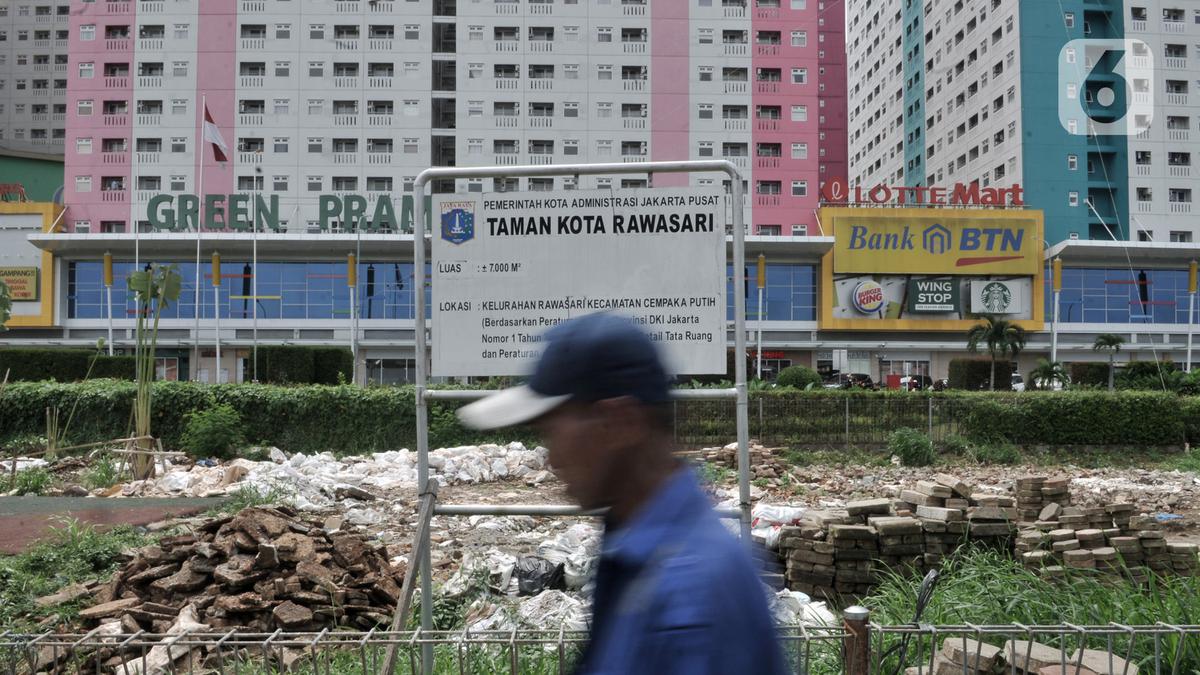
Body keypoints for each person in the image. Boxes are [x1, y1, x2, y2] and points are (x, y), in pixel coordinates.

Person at [458, 312, 787, 675]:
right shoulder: (633, 554)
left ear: (619, 423)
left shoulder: (693, 599)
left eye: (554, 433)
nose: (552, 458)